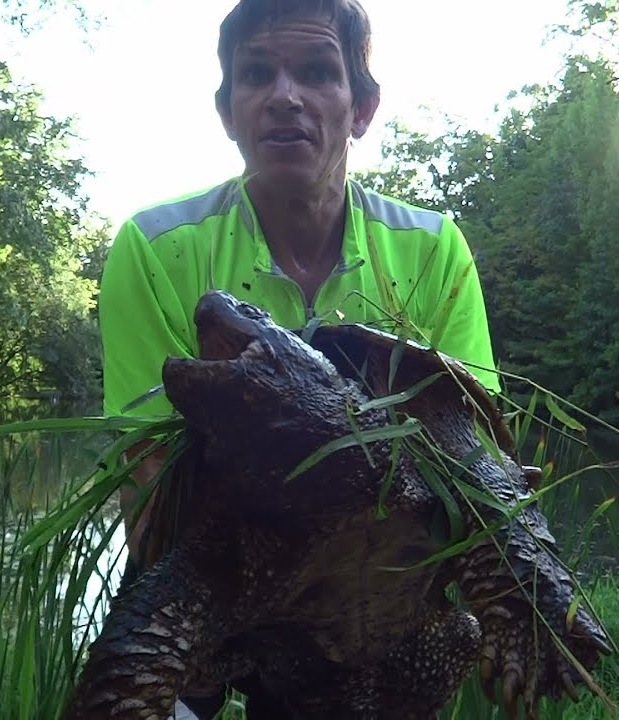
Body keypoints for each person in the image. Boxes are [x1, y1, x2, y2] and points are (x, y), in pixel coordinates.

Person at [95, 0, 500, 715]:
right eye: (258, 74)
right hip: (219, 568)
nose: (286, 96)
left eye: (317, 71)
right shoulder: (158, 247)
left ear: (362, 107)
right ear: (227, 111)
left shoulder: (430, 247)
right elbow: (150, 477)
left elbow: (473, 462)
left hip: (386, 577)